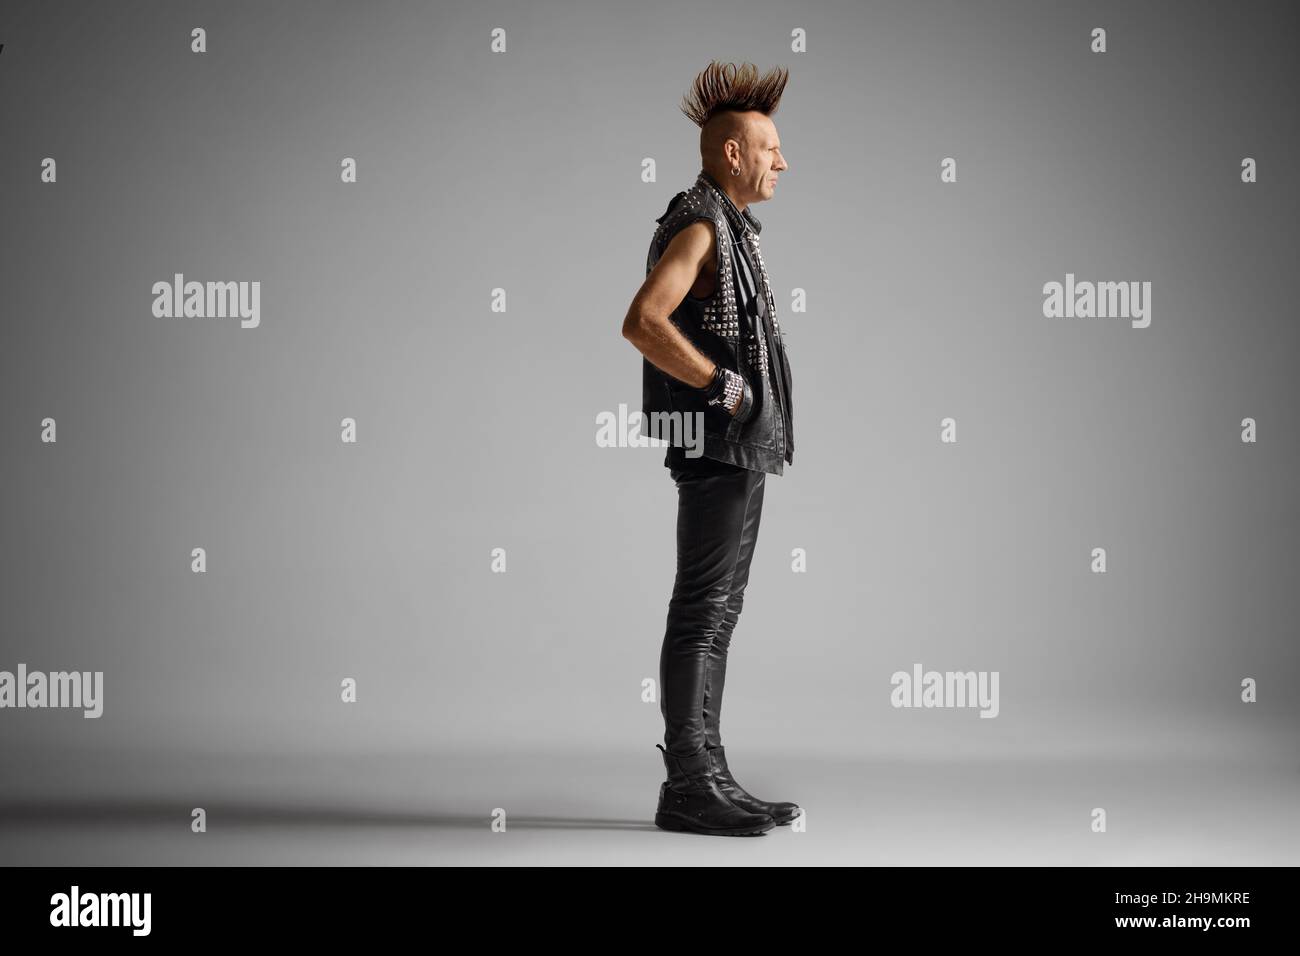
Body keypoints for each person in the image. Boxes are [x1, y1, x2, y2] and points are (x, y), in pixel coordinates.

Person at [621, 61, 799, 836]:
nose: (782, 161)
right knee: (701, 609)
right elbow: (644, 321)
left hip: (740, 446)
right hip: (716, 443)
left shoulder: (727, 222)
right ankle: (690, 782)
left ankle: (709, 773)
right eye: (770, 148)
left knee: (718, 609)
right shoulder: (699, 221)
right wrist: (726, 390)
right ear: (733, 154)